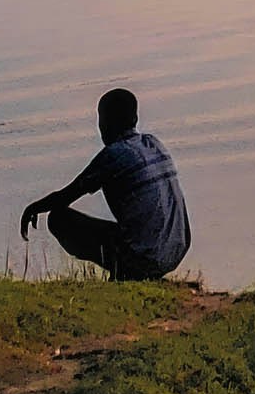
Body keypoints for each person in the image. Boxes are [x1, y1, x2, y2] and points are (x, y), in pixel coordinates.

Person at [19, 86, 193, 281]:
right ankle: (134, 267)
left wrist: (33, 208)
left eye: (101, 119)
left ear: (106, 123)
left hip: (145, 257)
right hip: (176, 249)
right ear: (135, 120)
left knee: (58, 219)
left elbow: (66, 196)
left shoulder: (114, 154)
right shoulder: (154, 143)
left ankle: (126, 270)